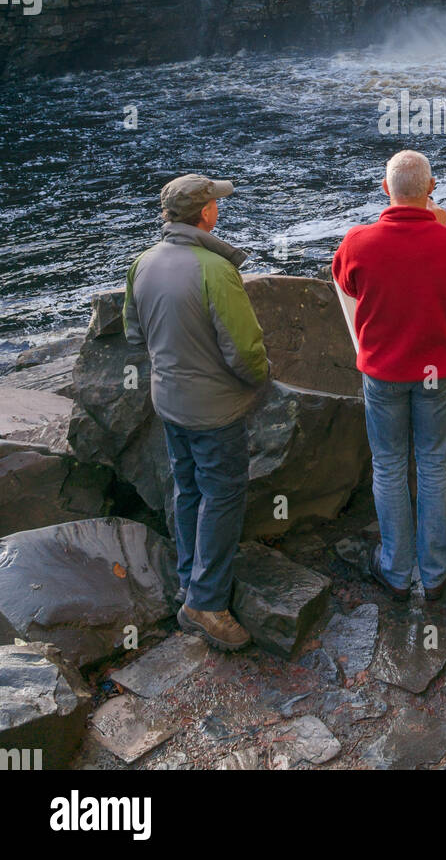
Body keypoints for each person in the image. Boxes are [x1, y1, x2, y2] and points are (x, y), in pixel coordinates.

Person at [332, 150, 446, 602]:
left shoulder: (358, 242)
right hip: (436, 372)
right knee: (434, 462)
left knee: (388, 465)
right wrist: (440, 228)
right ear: (431, 189)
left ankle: (396, 571)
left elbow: (346, 283)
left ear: (386, 189)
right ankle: (436, 569)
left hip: (382, 372)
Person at [123, 173, 270, 650]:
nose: (219, 210)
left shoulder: (143, 263)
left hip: (169, 402)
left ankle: (189, 581)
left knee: (188, 489)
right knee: (223, 495)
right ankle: (207, 603)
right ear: (205, 214)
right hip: (215, 411)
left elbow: (133, 334)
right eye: (215, 205)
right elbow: (244, 351)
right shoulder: (215, 269)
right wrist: (262, 378)